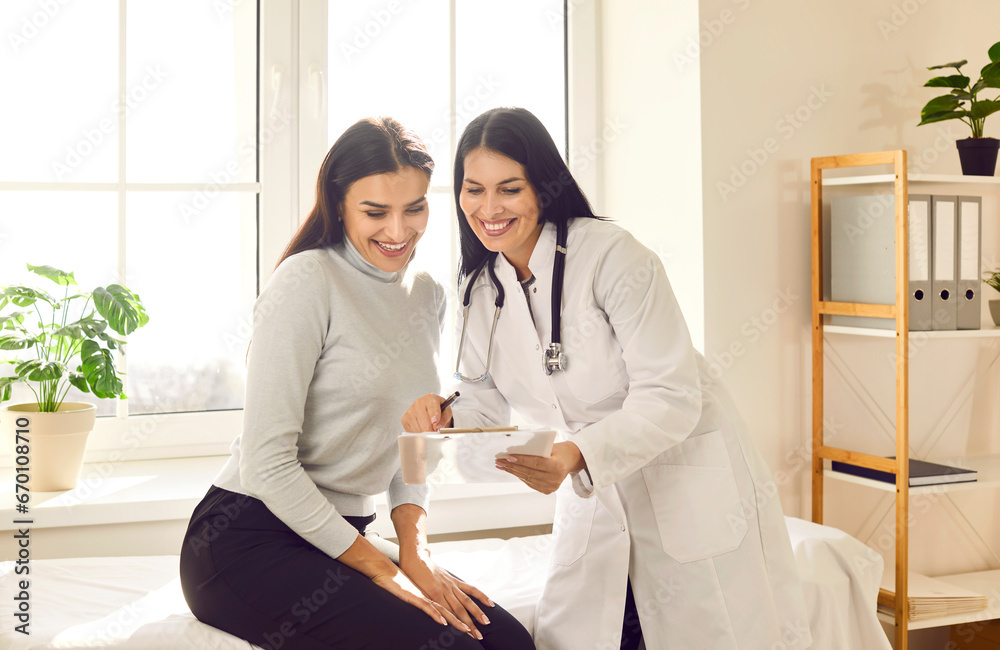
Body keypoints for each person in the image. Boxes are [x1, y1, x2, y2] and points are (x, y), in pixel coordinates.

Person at [402, 107, 812, 650]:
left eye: (509, 189)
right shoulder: (480, 286)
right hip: (591, 485)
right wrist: (449, 415)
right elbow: (484, 402)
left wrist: (575, 455)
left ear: (543, 188)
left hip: (681, 474)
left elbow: (671, 397)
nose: (489, 208)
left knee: (705, 629)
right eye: (473, 190)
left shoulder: (614, 257)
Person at [179, 117, 535, 650]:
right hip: (247, 540)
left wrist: (414, 551)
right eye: (375, 212)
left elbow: (414, 441)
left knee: (505, 641)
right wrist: (378, 567)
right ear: (338, 204)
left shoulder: (428, 294)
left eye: (414, 208)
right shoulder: (306, 281)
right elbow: (266, 462)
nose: (398, 231)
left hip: (338, 536)